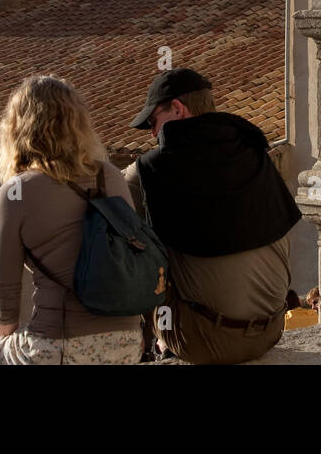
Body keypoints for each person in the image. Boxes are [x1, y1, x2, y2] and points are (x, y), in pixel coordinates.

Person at [126, 68, 302, 364]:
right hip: (273, 328)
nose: (154, 134)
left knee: (130, 241)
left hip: (203, 341)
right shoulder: (254, 150)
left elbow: (101, 202)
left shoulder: (150, 170)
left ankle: (137, 350)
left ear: (178, 109)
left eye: (154, 122)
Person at [0, 75, 143, 365]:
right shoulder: (109, 175)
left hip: (59, 346)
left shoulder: (15, 192)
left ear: (17, 129)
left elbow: (4, 307)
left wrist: (9, 338)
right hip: (127, 343)